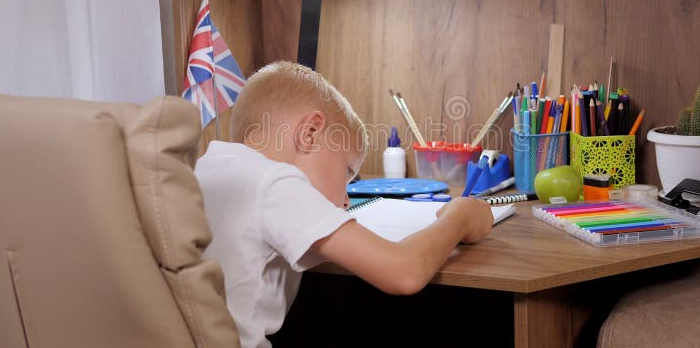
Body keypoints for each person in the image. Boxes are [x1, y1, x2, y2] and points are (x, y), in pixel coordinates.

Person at [195, 61, 493, 348]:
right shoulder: (275, 183)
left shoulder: (204, 169)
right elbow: (404, 272)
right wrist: (460, 217)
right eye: (348, 172)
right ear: (309, 134)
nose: (346, 198)